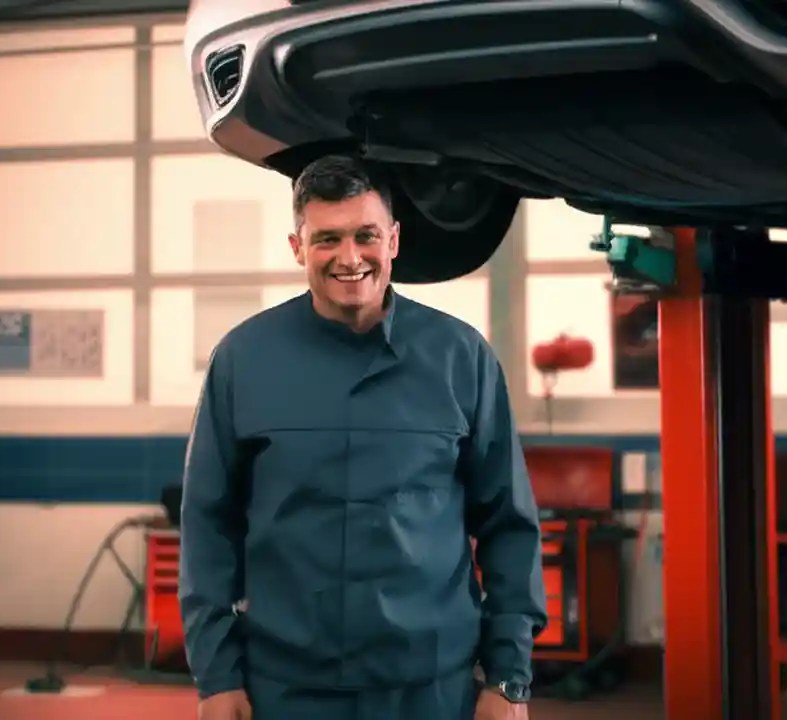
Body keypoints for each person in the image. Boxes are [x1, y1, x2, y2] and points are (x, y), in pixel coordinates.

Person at [178, 154, 547, 720]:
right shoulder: (243, 360)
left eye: (365, 235)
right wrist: (215, 675)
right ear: (298, 247)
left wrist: (509, 679)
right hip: (287, 688)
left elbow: (508, 525)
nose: (349, 258)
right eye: (327, 238)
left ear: (394, 239)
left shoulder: (461, 358)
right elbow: (208, 526)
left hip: (431, 687)